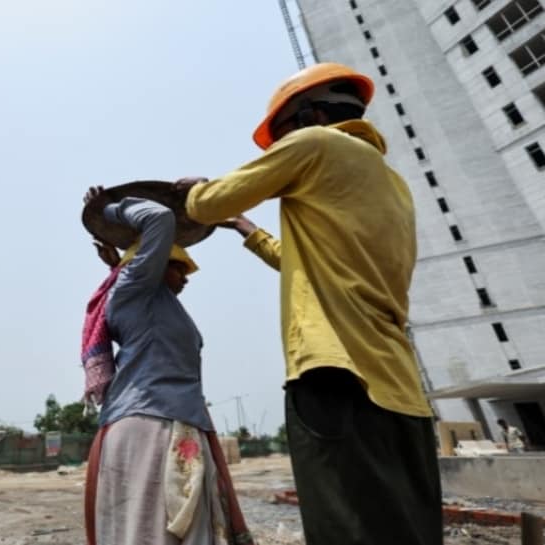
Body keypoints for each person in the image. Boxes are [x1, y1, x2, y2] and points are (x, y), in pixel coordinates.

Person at [177, 63, 442, 544]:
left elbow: (205, 206)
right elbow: (304, 260)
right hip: (400, 389)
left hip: (336, 374)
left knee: (343, 526)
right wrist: (248, 229)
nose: (279, 149)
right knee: (405, 527)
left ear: (311, 115)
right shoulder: (389, 183)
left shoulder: (314, 144)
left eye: (279, 137)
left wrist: (195, 191)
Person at [80, 187, 253, 545]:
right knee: (154, 532)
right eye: (178, 267)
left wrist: (118, 263)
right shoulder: (135, 288)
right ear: (154, 264)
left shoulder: (150, 298)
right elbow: (159, 218)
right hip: (150, 426)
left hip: (178, 421)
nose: (187, 277)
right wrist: (108, 210)